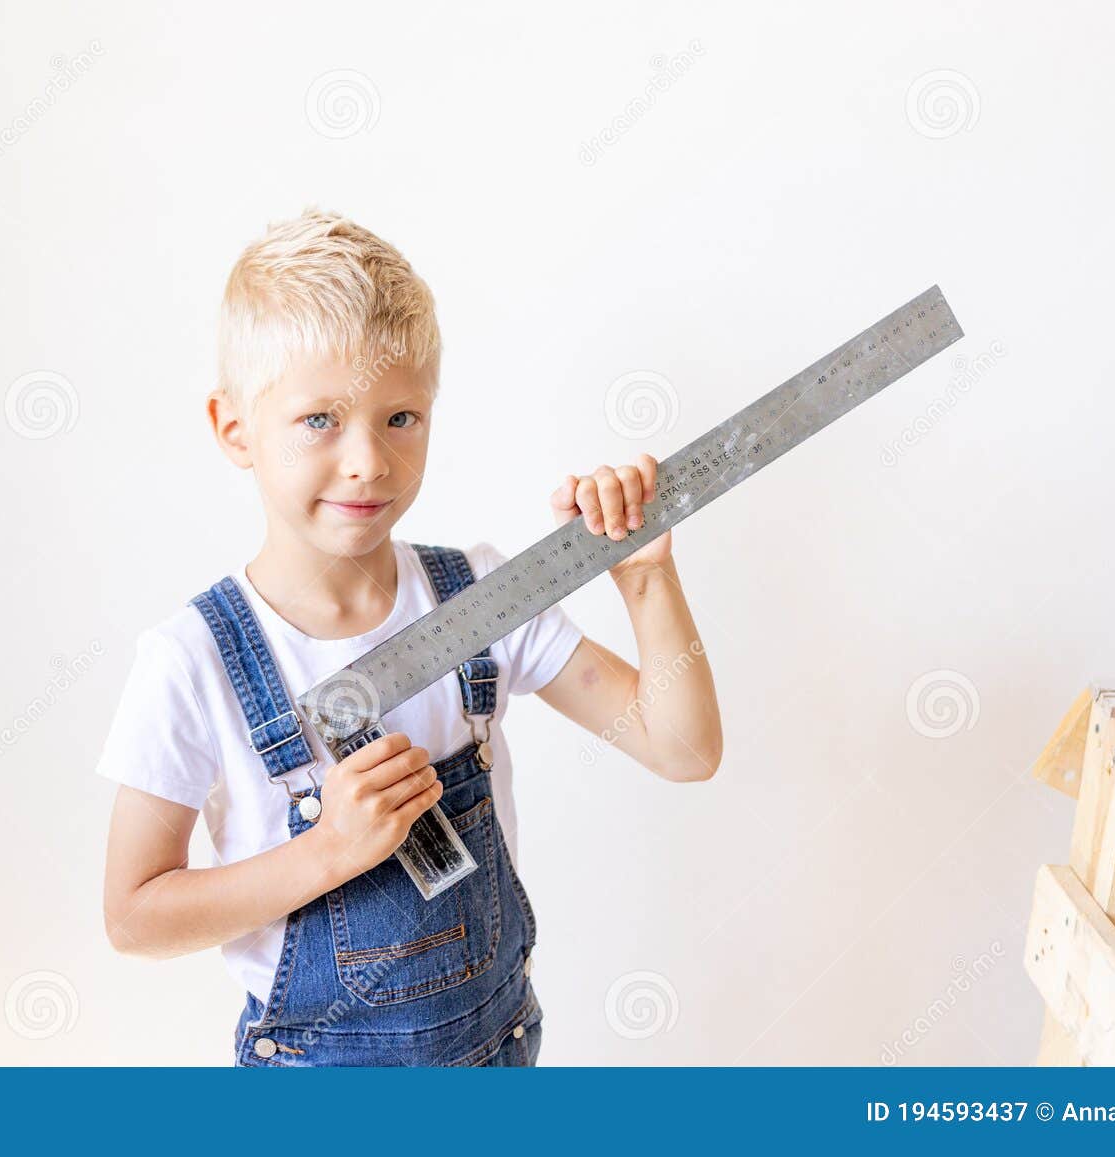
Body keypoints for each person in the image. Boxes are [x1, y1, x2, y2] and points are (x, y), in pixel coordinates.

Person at [96, 208, 723, 1066]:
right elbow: (134, 917)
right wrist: (328, 851)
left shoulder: (486, 594)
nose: (368, 461)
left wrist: (645, 577)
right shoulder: (191, 661)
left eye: (401, 418)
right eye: (319, 419)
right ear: (234, 428)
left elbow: (682, 749)